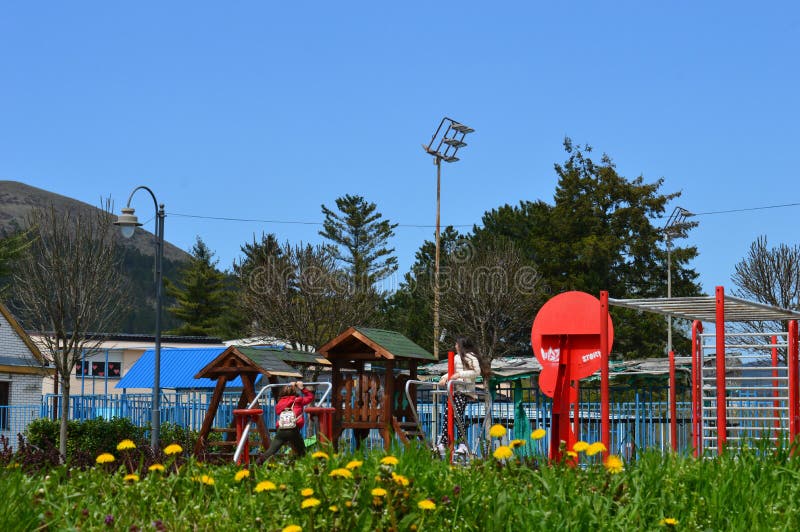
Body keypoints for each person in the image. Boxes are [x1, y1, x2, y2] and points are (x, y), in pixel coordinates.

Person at [436, 336, 481, 456]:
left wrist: (459, 374)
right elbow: (451, 371)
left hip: (465, 391)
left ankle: (462, 444)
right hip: (454, 391)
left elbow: (477, 372)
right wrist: (444, 378)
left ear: (461, 345)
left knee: (456, 415)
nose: (455, 346)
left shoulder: (472, 357)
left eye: (456, 344)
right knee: (447, 415)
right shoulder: (456, 357)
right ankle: (445, 443)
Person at [261, 381, 314, 460]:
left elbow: (278, 412)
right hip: (293, 430)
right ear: (294, 392)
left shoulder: (280, 403)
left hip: (281, 429)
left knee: (270, 451)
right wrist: (302, 388)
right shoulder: (297, 400)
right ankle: (304, 468)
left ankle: (257, 464)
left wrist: (290, 387)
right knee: (302, 452)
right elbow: (310, 397)